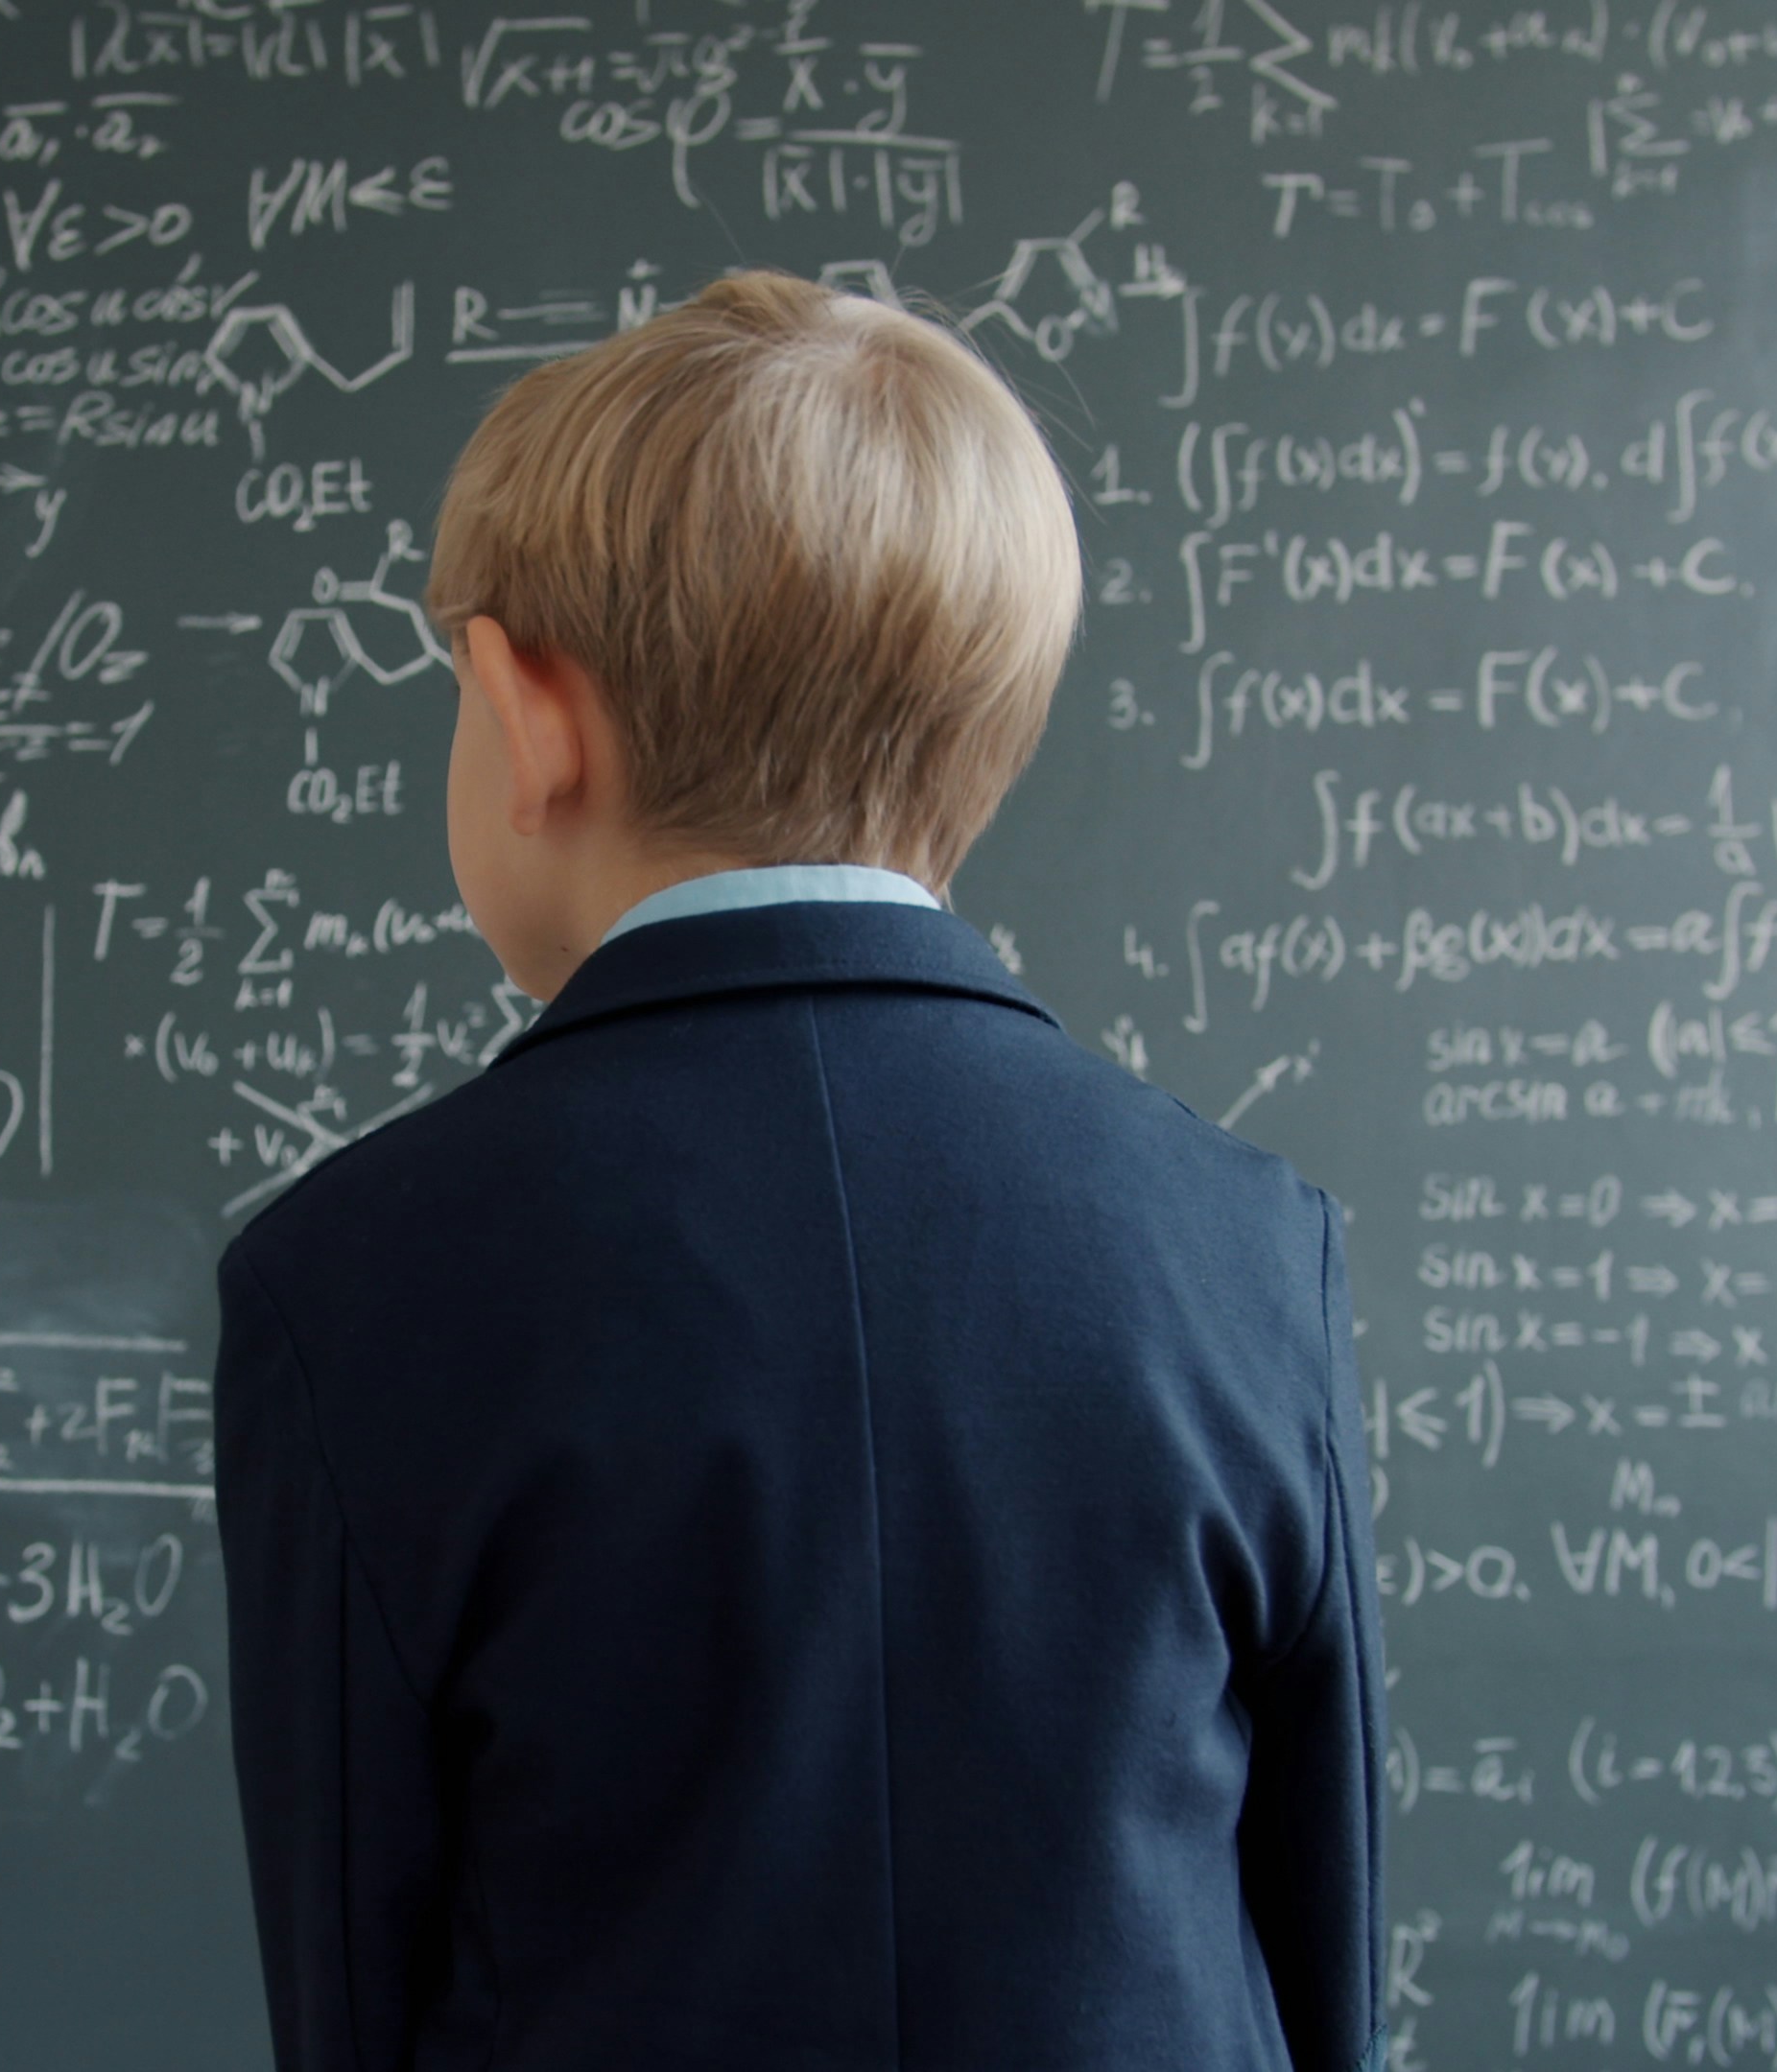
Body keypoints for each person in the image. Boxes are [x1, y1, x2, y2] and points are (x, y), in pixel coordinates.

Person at [210, 269, 1386, 2072]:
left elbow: (352, 1983)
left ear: (528, 714)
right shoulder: (1247, 1244)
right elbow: (1319, 1941)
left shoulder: (349, 1278)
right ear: (985, 732)